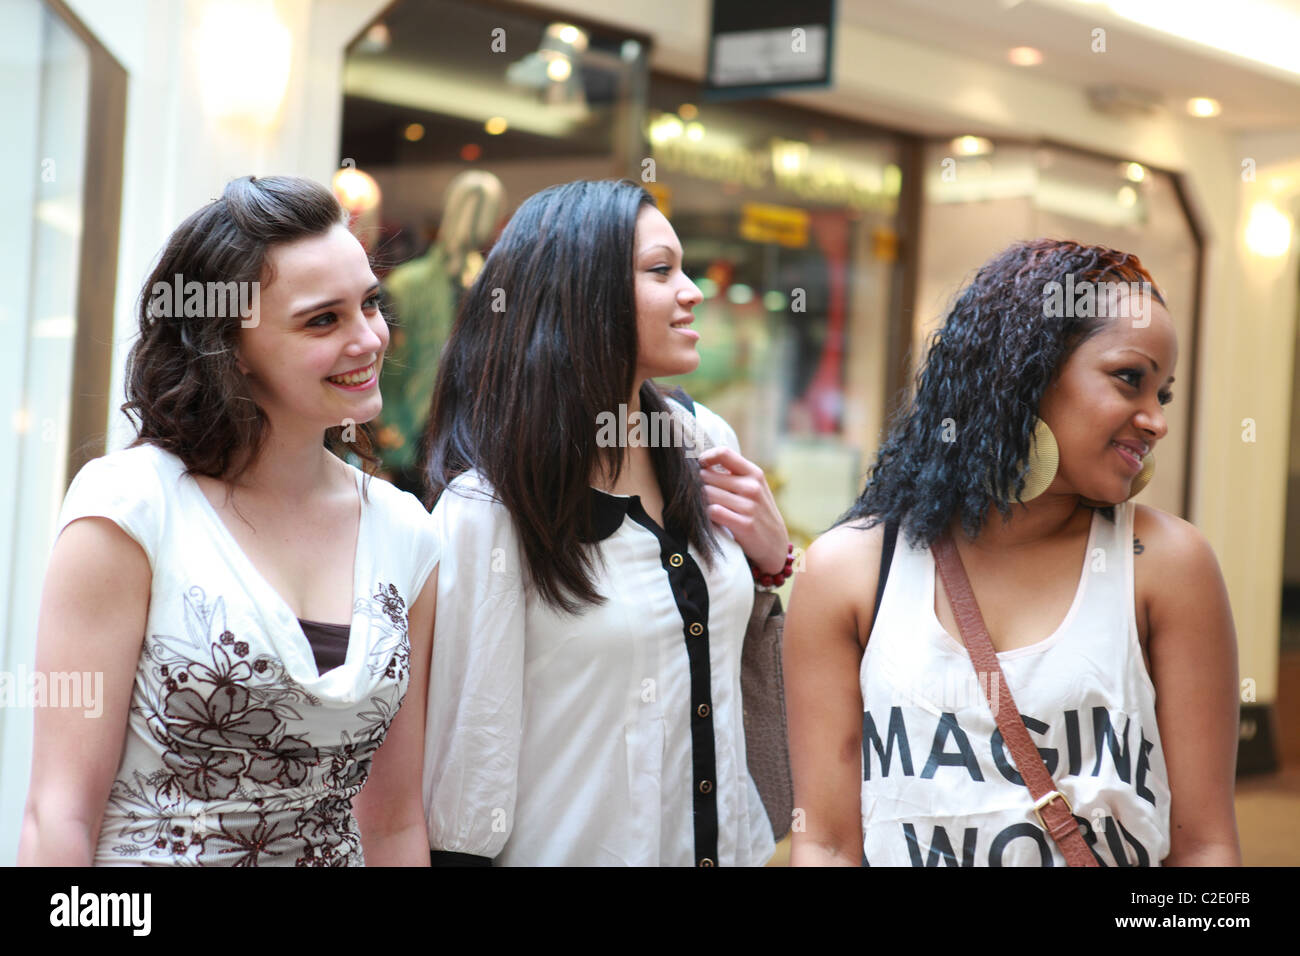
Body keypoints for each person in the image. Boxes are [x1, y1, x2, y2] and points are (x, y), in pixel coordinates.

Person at [19, 175, 438, 866]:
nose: (368, 339)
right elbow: (57, 815)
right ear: (229, 344)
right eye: (322, 320)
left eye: (370, 303)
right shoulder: (130, 509)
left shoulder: (406, 532)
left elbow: (393, 823)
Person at [785, 239, 1241, 867]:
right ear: (1025, 371)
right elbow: (828, 843)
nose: (1155, 419)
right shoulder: (850, 571)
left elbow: (1205, 848)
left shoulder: (1165, 564)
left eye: (1161, 394)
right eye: (1129, 379)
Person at [420, 178, 788, 866]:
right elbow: (466, 780)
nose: (693, 291)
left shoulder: (702, 440)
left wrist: (774, 563)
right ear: (579, 295)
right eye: (660, 271)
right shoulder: (488, 512)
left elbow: (732, 672)